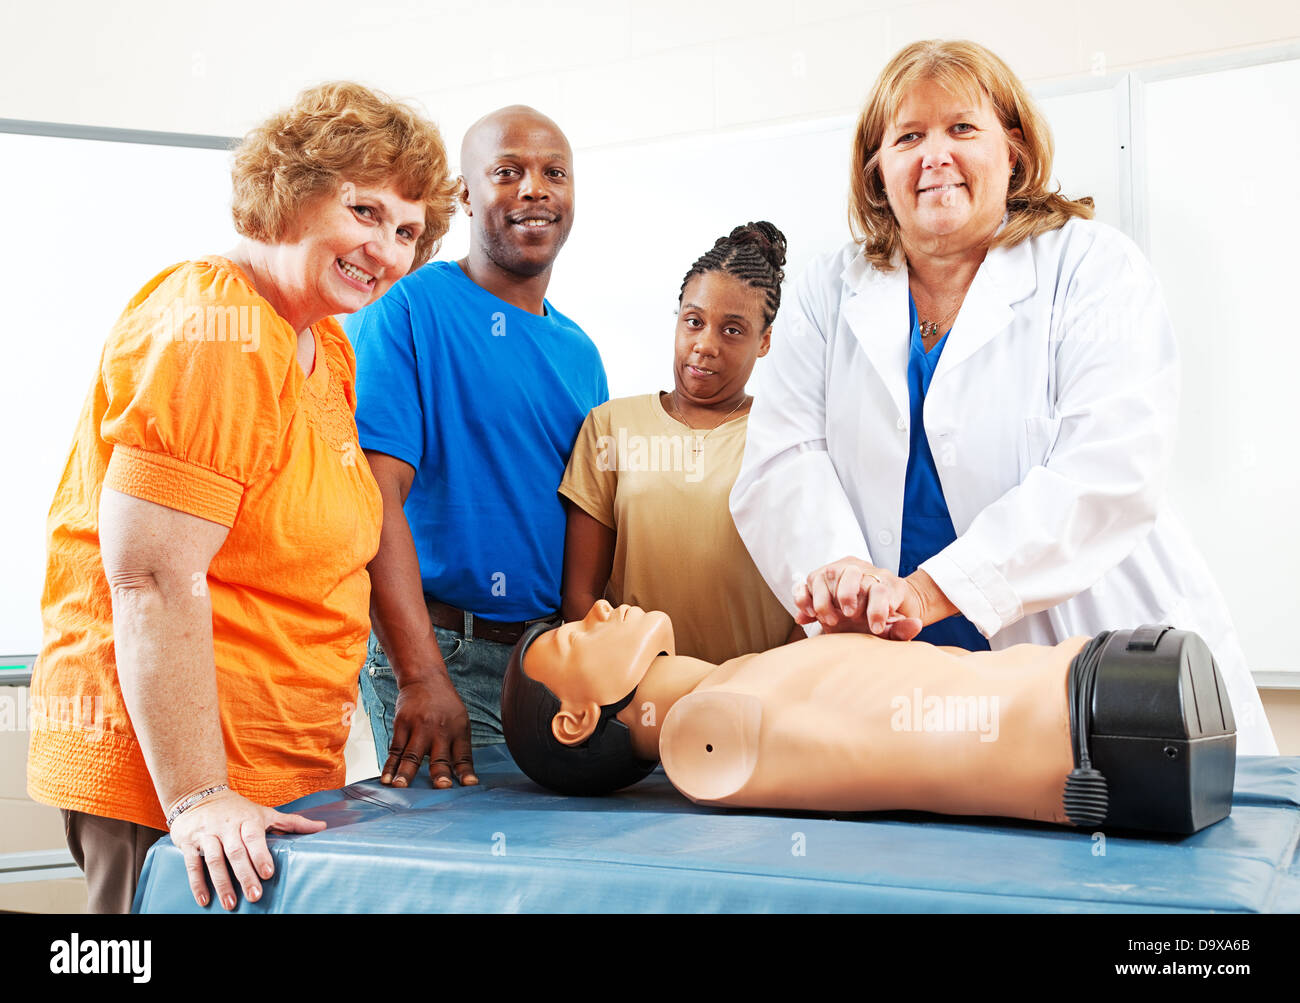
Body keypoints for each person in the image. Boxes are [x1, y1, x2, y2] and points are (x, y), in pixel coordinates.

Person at [728, 39, 1276, 755]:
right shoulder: (829, 293)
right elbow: (782, 458)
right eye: (908, 137)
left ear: (1012, 148)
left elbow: (1106, 472)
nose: (935, 156)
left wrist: (930, 590)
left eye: (962, 128)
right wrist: (843, 578)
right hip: (901, 681)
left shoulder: (1092, 267)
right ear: (877, 168)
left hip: (1095, 663)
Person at [26, 82, 459, 913]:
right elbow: (151, 578)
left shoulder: (324, 342)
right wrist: (196, 796)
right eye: (365, 211)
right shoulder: (215, 324)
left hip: (274, 773)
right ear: (293, 192)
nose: (388, 250)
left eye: (408, 231)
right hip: (173, 788)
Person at [344, 105, 607, 790]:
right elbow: (373, 500)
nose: (534, 189)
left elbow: (589, 522)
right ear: (464, 195)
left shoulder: (582, 354)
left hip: (547, 662)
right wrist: (421, 671)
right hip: (445, 654)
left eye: (555, 173)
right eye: (507, 172)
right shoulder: (407, 306)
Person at [501, 602, 1237, 834]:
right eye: (575, 635)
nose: (596, 608)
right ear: (575, 719)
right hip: (1095, 727)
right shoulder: (701, 739)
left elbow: (875, 714)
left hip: (1101, 696)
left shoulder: (725, 694)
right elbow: (905, 748)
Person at [559, 222, 796, 663]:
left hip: (751, 705)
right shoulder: (611, 426)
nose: (705, 345)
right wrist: (632, 684)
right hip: (632, 699)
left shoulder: (787, 437)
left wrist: (763, 691)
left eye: (732, 330)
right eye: (694, 321)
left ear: (764, 341)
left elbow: (810, 602)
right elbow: (580, 596)